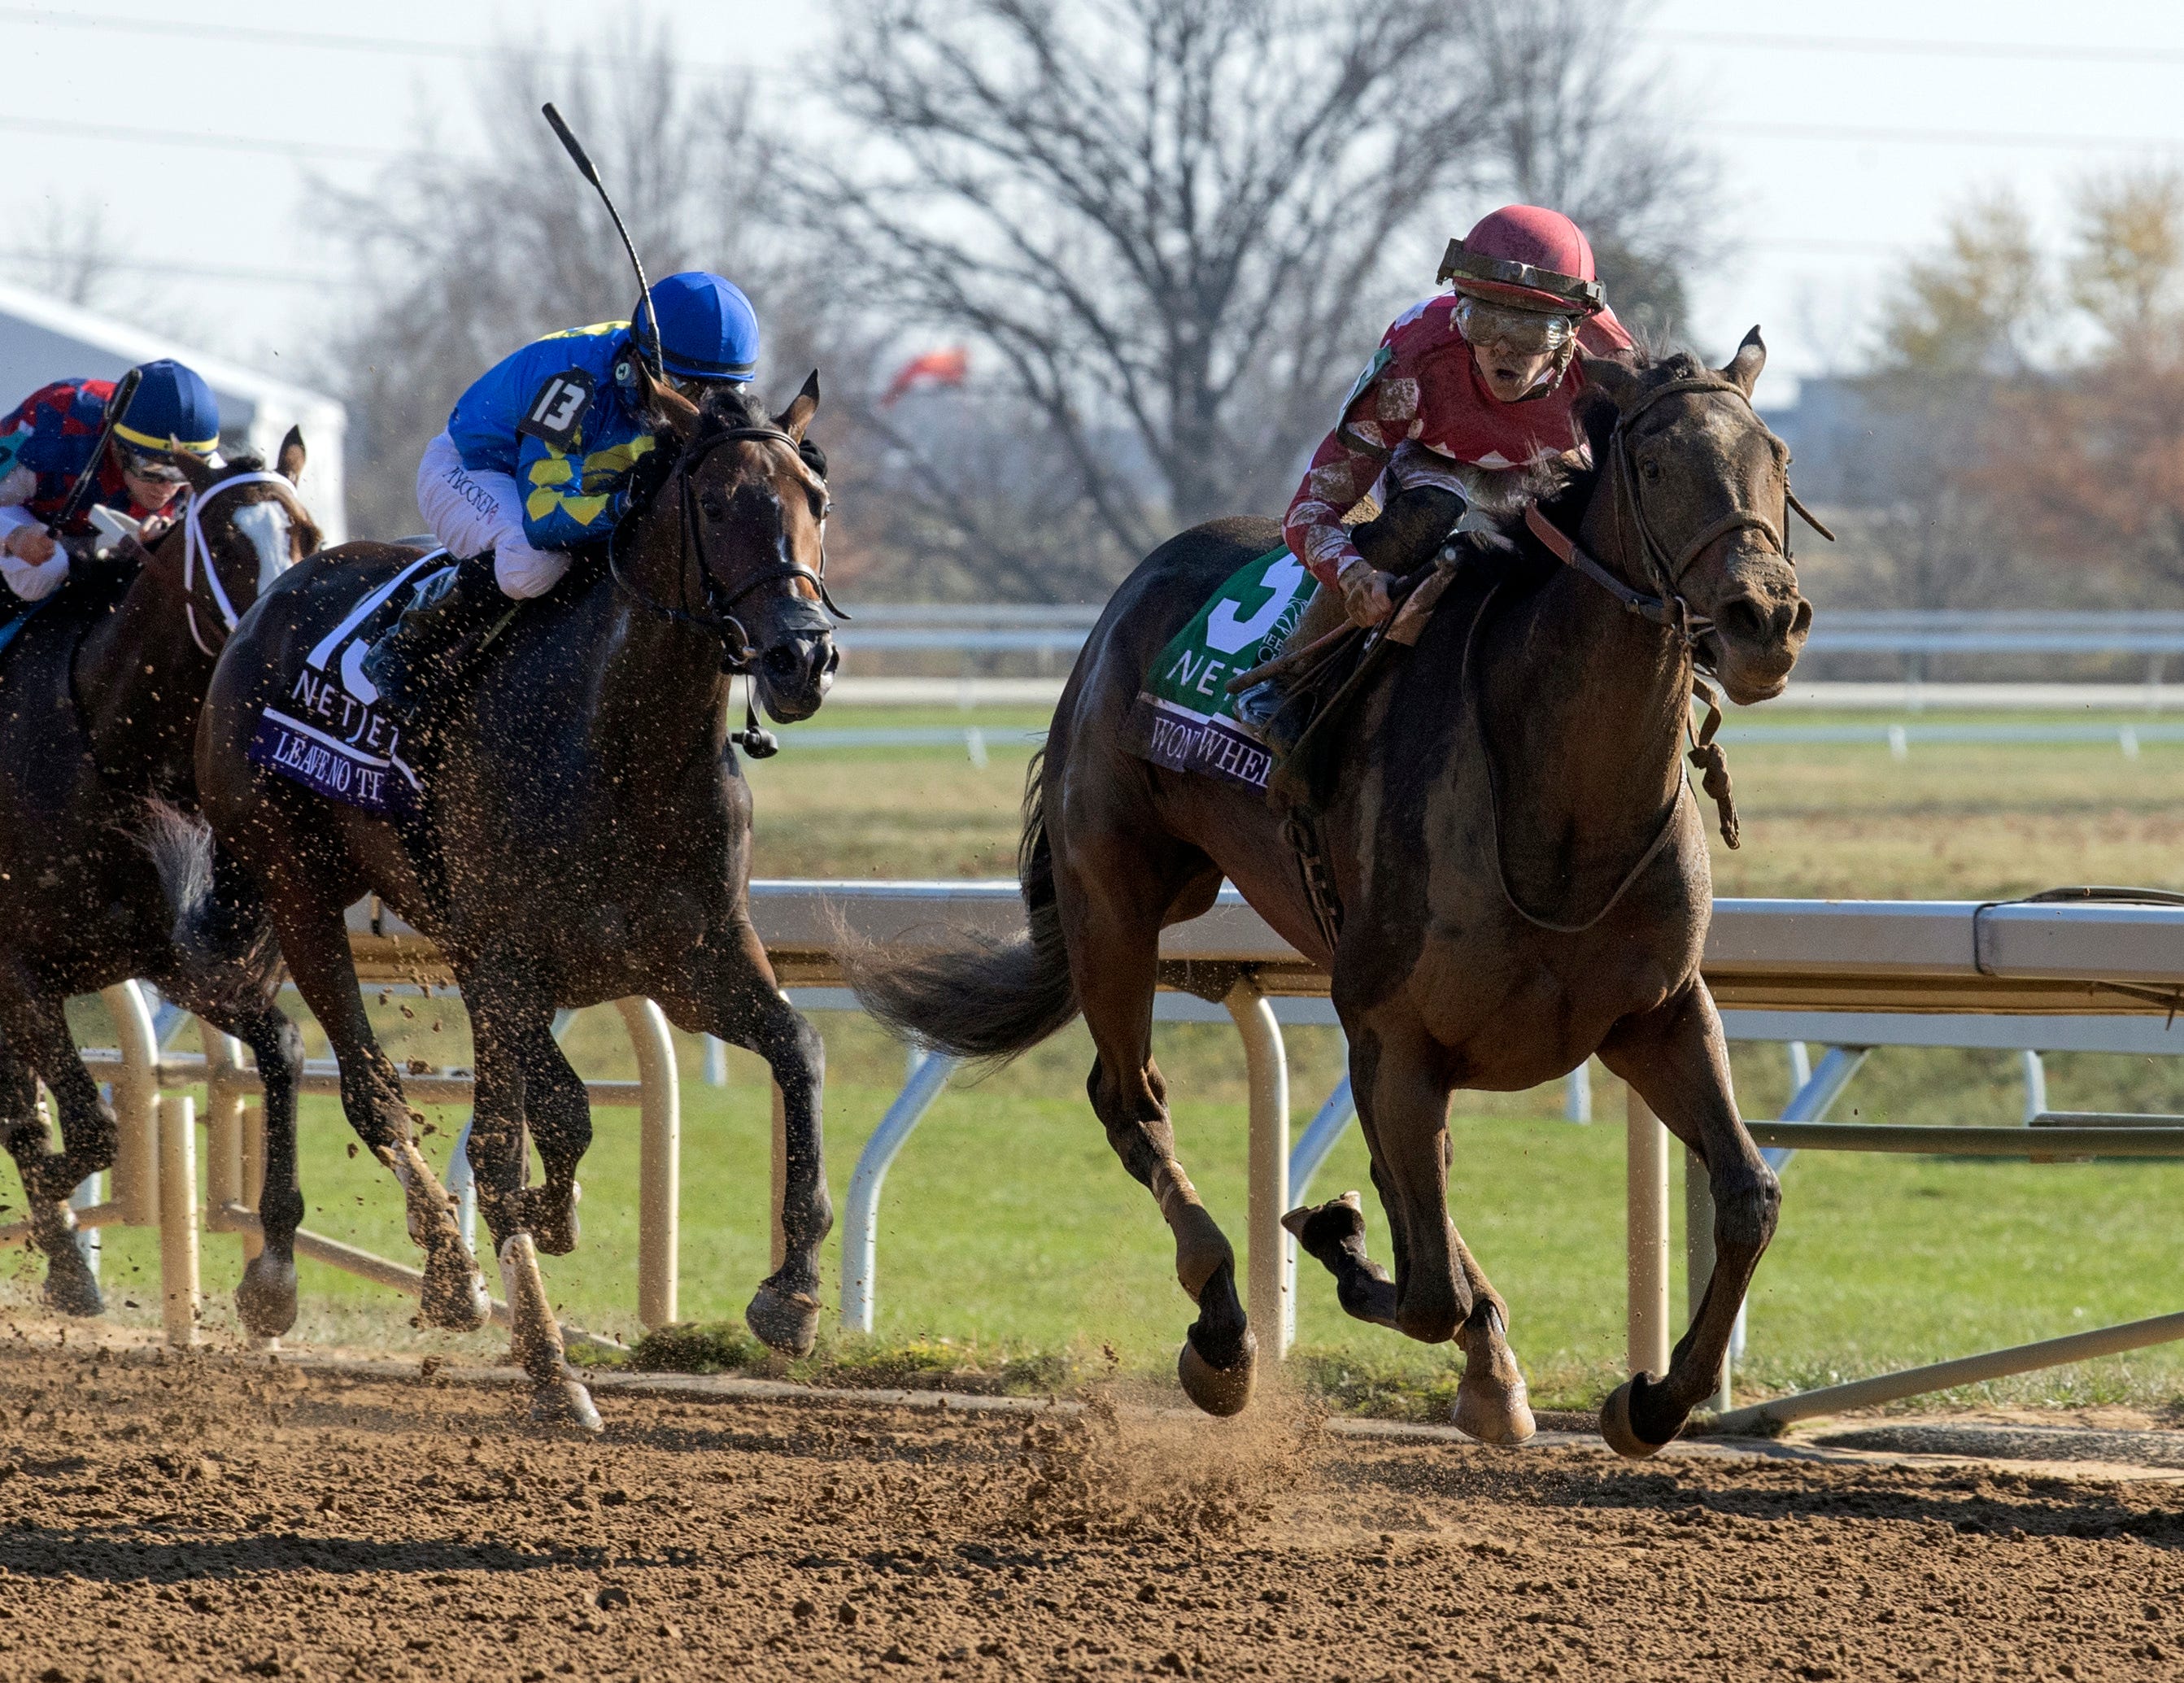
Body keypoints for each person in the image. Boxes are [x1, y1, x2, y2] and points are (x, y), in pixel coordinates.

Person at [1234, 204, 1637, 748]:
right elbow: (1309, 512)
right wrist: (1355, 577)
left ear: (1570, 334)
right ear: (1458, 314)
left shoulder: (1615, 366)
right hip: (1430, 456)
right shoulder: (1413, 362)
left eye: (1532, 329)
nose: (1504, 351)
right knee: (1430, 509)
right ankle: (1287, 677)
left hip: (1543, 461)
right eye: (1486, 322)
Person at [361, 270, 767, 720]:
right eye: (690, 391)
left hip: (580, 479)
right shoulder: (574, 387)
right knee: (532, 563)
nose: (698, 410)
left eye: (722, 394)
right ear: (643, 363)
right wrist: (624, 505)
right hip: (476, 470)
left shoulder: (673, 361)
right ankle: (410, 638)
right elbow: (544, 515)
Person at [0, 360, 221, 608]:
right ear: (116, 444)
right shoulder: (55, 426)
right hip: (21, 514)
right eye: (152, 469)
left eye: (183, 472)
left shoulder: (208, 466)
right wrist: (13, 536)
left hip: (88, 541)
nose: (167, 488)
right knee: (44, 571)